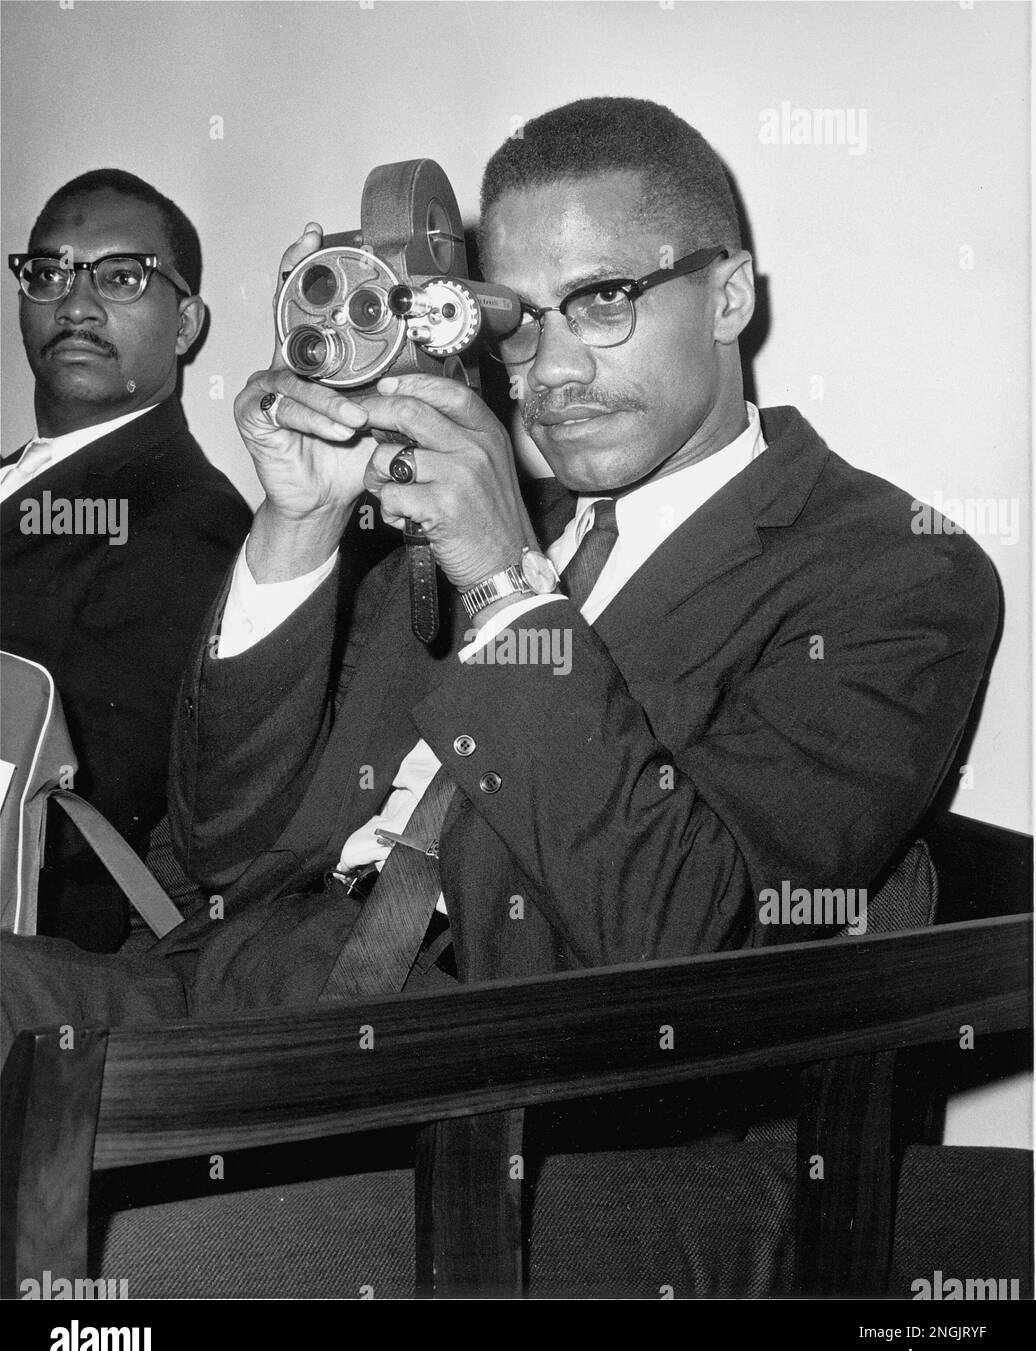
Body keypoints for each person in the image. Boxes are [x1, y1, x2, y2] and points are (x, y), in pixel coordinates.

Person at [1, 99, 998, 1049]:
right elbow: (222, 850)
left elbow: (693, 932)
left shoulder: (895, 574)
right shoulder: (453, 529)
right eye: (517, 320)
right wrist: (298, 528)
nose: (549, 371)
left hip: (485, 1084)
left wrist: (506, 586)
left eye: (602, 300)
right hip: (238, 984)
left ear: (727, 295)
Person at [1, 170, 252, 951]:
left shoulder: (187, 516)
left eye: (121, 278)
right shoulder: (17, 479)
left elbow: (76, 812)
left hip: (31, 952)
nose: (75, 304)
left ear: (185, 326)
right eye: (49, 273)